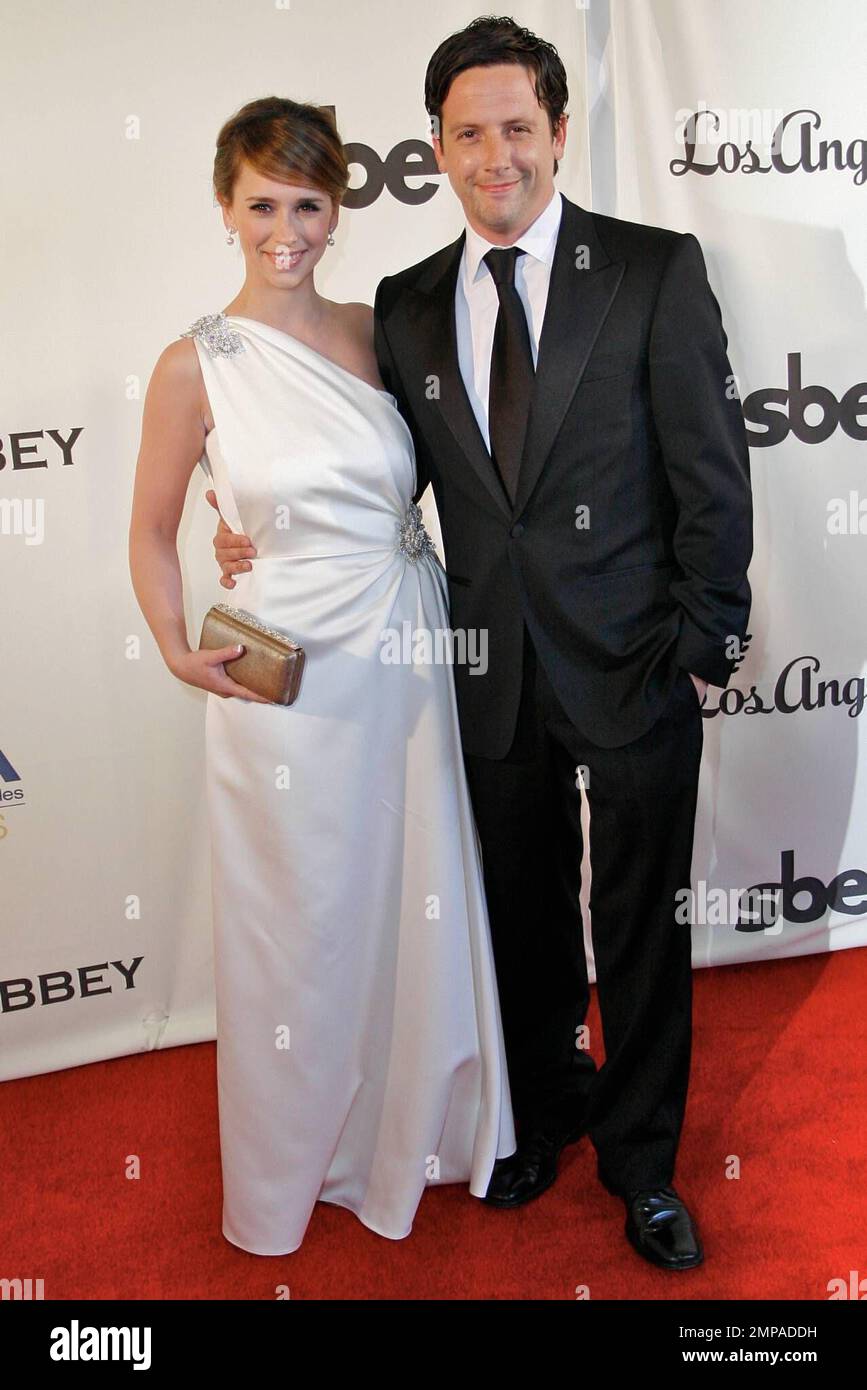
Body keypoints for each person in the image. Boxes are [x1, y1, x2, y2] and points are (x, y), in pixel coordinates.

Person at [213, 18, 753, 1271]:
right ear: (439, 148)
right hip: (477, 675)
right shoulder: (402, 308)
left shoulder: (654, 269)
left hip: (633, 667)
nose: (493, 154)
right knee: (516, 922)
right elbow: (346, 459)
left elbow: (711, 475)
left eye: (518, 127)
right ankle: (544, 1114)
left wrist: (702, 640)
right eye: (468, 133)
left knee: (638, 929)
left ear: (559, 134)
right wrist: (242, 523)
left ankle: (644, 1161)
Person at [128, 95, 516, 1257]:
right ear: (225, 208)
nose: (285, 228)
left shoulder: (381, 327)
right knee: (295, 919)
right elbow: (151, 528)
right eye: (262, 205)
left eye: (308, 203)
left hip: (404, 646)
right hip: (283, 678)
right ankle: (301, 1160)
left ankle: (428, 1135)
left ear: (337, 207)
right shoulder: (193, 363)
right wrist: (170, 633)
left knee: (414, 888)